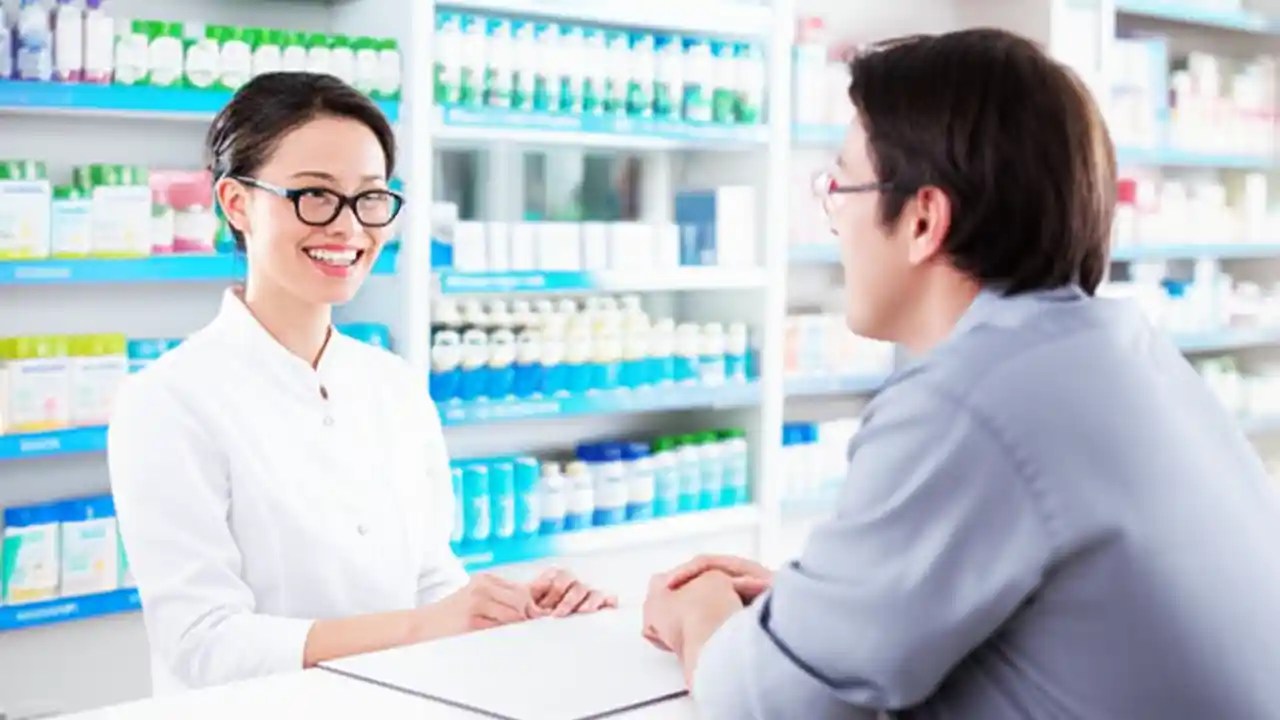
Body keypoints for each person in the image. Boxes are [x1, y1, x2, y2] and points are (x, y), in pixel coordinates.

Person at [642, 29, 1280, 719]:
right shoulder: (1122, 350)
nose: (835, 221)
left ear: (922, 219)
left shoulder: (968, 399)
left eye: (841, 186)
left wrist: (698, 609)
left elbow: (763, 704)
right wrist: (823, 608)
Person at [108, 72, 614, 695]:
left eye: (370, 197)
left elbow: (431, 581)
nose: (349, 227)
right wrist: (422, 626)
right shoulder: (169, 401)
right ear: (236, 203)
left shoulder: (394, 386)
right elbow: (202, 642)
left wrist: (514, 608)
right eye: (314, 196)